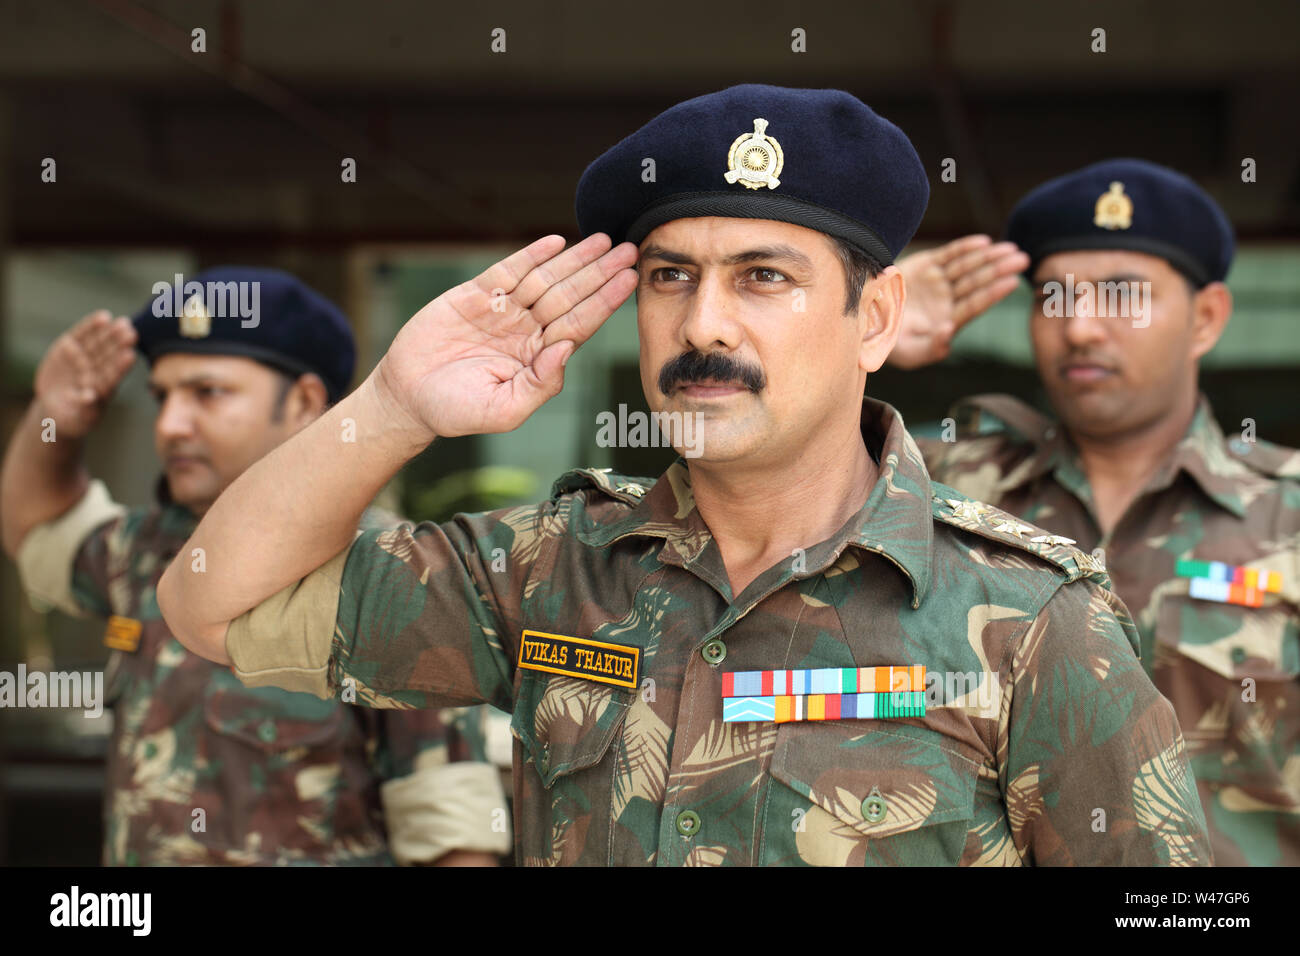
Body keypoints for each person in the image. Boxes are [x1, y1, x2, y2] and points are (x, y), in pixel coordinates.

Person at [158, 87, 1211, 866]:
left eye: (763, 276)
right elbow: (210, 602)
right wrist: (389, 408)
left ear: (875, 318)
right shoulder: (551, 567)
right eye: (671, 277)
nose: (703, 323)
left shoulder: (1029, 615)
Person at [0, 267, 510, 866]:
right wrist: (52, 418)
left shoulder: (384, 571)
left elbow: (453, 838)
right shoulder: (149, 550)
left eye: (207, 393)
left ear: (303, 402)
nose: (170, 425)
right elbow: (35, 532)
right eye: (163, 396)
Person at [898, 158, 1299, 866]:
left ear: (1206, 319)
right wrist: (863, 341)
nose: (1079, 327)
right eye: (1053, 297)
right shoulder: (939, 487)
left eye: (1121, 297)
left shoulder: (1287, 515)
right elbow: (761, 485)